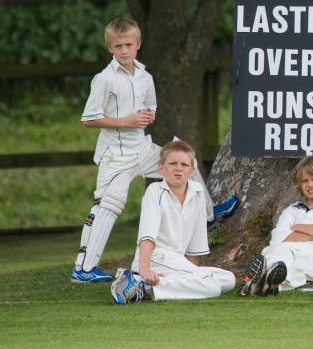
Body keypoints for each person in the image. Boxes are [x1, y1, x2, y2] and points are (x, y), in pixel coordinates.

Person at [72, 17, 238, 283]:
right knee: (109, 205)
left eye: (128, 44)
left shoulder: (145, 76)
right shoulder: (104, 79)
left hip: (143, 147)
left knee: (182, 162)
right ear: (110, 48)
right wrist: (126, 121)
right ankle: (84, 268)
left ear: (137, 44)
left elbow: (152, 108)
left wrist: (148, 117)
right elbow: (89, 118)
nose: (124, 51)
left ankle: (207, 216)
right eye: (118, 46)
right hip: (116, 154)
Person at [110, 139, 236, 304]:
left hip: (177, 262)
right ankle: (140, 281)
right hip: (156, 258)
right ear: (161, 168)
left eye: (184, 165)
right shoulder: (154, 191)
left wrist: (191, 276)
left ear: (192, 170)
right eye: (172, 163)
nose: (178, 168)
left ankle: (142, 286)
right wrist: (145, 269)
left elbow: (195, 245)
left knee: (229, 280)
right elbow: (147, 235)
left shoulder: (197, 193)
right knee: (211, 285)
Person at [239, 154, 313, 296]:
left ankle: (260, 284)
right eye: (305, 181)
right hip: (286, 251)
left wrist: (298, 228)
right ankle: (266, 283)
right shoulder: (292, 210)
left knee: (297, 268)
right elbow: (278, 239)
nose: (310, 185)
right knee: (276, 253)